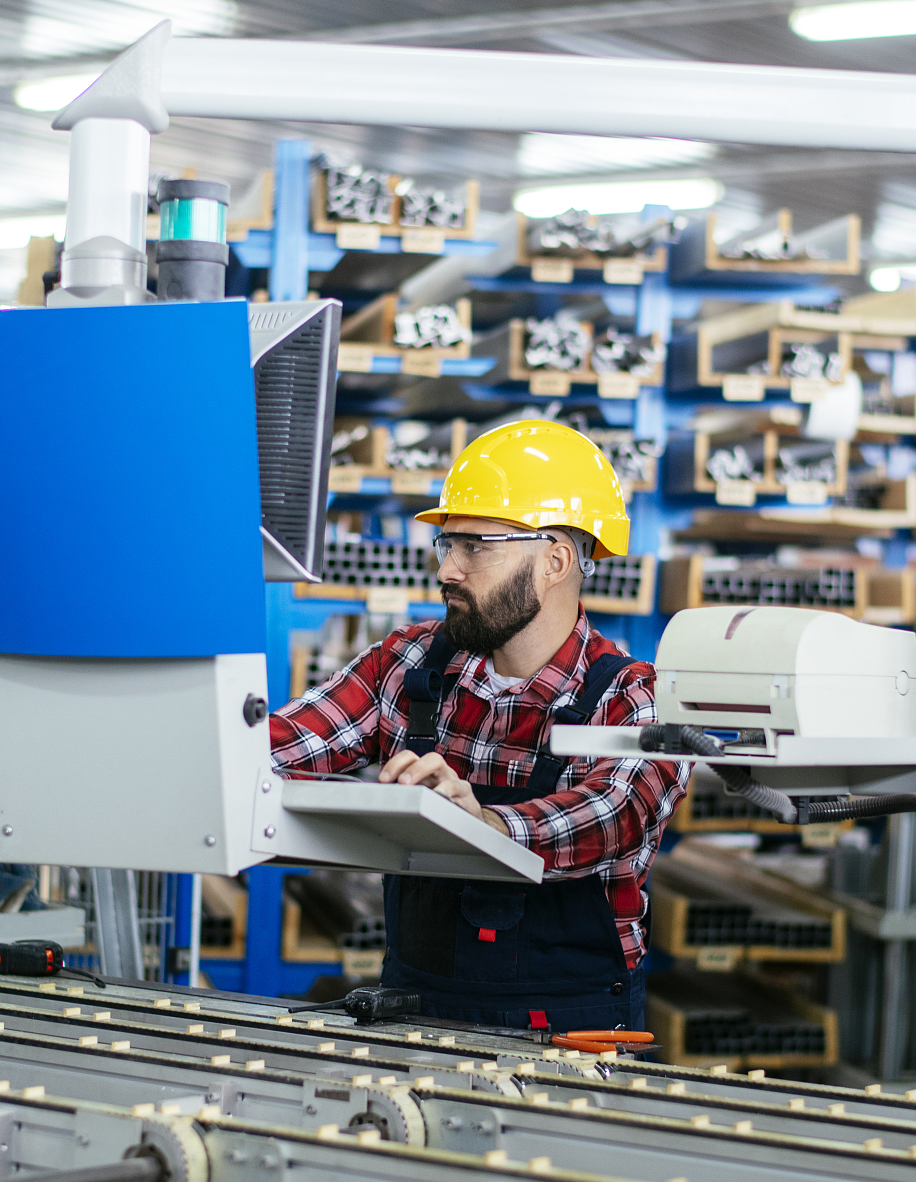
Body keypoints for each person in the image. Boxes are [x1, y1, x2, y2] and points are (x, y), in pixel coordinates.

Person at [268, 420, 688, 1031]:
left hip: (570, 1031)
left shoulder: (633, 698)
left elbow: (611, 817)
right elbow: (281, 747)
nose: (448, 571)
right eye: (447, 545)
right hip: (413, 1010)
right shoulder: (408, 664)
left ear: (556, 560)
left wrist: (483, 827)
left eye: (476, 546)